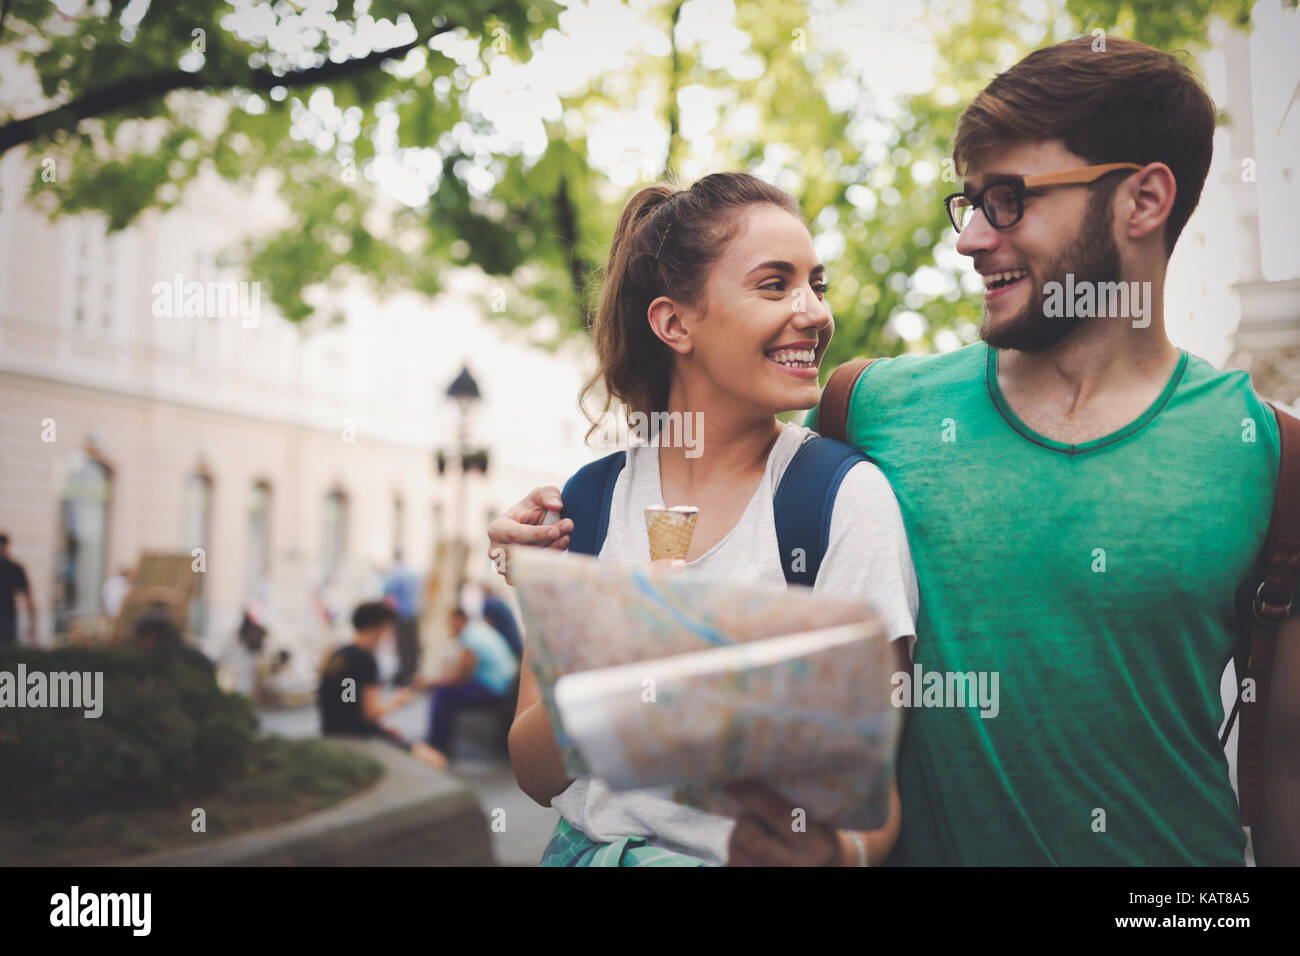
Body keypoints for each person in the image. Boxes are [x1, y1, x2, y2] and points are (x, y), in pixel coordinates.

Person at [493, 39, 1300, 866]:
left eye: (1010, 200)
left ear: (1145, 199)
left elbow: (1285, 757)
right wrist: (551, 553)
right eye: (971, 203)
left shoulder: (1272, 452)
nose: (971, 238)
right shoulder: (870, 407)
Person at [490, 172, 919, 867]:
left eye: (818, 283)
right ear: (674, 323)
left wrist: (834, 856)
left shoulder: (839, 501)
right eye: (775, 284)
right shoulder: (591, 503)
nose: (814, 313)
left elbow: (874, 804)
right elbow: (536, 775)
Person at [317, 600, 447, 770]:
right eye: (388, 628)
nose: (390, 634)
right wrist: (400, 700)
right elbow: (370, 713)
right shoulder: (365, 660)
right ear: (375, 627)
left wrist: (382, 729)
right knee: (437, 761)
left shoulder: (338, 654)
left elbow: (347, 704)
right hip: (357, 738)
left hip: (332, 732)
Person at [421, 607, 521, 764]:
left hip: (494, 690)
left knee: (443, 694)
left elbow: (461, 676)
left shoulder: (470, 636)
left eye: (450, 622)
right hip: (505, 685)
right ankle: (438, 743)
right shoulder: (478, 629)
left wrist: (432, 682)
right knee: (446, 692)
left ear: (459, 619)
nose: (449, 626)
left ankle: (437, 746)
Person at [383, 551, 422, 685]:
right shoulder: (414, 573)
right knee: (413, 646)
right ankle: (413, 674)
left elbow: (389, 595)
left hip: (402, 614)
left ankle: (406, 676)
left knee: (404, 647)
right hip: (414, 613)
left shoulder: (396, 574)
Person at [0, 533, 36, 646]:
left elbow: (28, 597)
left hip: (7, 617)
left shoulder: (14, 567)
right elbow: (28, 597)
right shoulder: (15, 567)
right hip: (8, 617)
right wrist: (32, 623)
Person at [479, 584, 522, 660]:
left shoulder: (489, 604)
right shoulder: (498, 602)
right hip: (516, 643)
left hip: (509, 647)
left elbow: (487, 627)